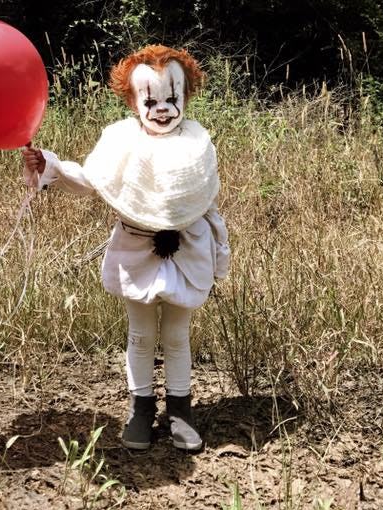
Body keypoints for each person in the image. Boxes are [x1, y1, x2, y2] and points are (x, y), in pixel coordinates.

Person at [22, 44, 229, 452]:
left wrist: (220, 252)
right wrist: (52, 166)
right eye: (151, 100)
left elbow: (207, 201)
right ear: (133, 101)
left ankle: (180, 411)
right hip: (137, 246)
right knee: (140, 332)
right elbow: (91, 180)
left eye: (173, 98)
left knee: (176, 332)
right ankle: (141, 408)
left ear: (186, 96)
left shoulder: (199, 141)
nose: (163, 109)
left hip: (188, 246)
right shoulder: (120, 139)